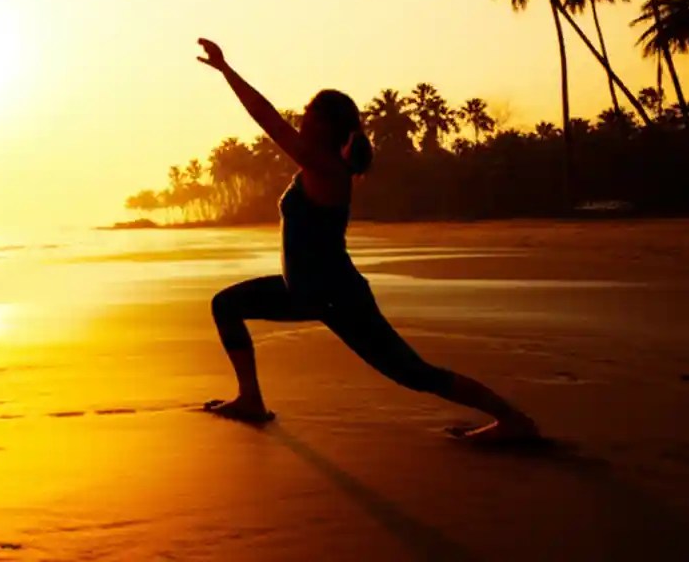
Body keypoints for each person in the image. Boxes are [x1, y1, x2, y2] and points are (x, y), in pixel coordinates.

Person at [196, 38, 538, 443]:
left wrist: (227, 70)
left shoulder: (328, 169)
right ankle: (251, 399)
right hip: (304, 292)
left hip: (338, 297)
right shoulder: (318, 167)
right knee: (227, 305)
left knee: (413, 373)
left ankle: (513, 419)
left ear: (325, 124)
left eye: (309, 112)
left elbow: (267, 118)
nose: (302, 117)